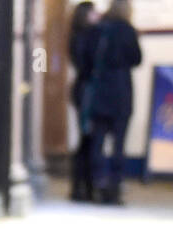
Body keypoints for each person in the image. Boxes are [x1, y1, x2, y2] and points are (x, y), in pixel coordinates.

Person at [83, 0, 142, 204]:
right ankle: (115, 188)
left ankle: (98, 183)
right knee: (119, 144)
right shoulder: (128, 31)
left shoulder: (98, 30)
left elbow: (86, 59)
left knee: (98, 141)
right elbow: (137, 58)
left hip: (100, 91)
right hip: (121, 92)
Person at [68, 2, 100, 201]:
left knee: (87, 139)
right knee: (87, 139)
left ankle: (82, 187)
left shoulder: (79, 36)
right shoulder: (84, 37)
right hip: (87, 91)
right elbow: (86, 64)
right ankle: (82, 187)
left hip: (84, 90)